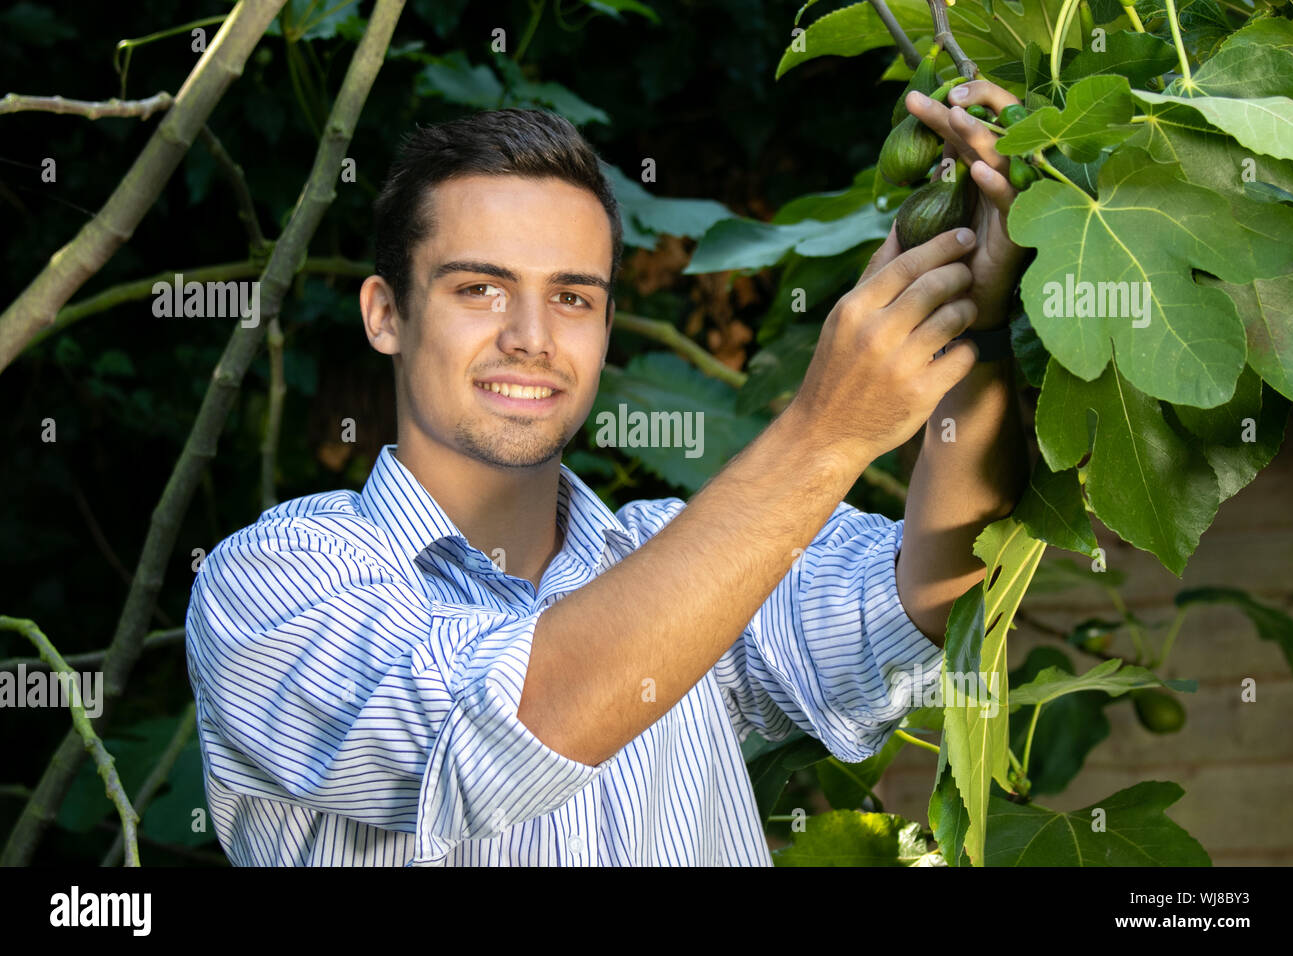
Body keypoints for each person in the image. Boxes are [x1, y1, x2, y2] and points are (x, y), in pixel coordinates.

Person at [185, 83, 1030, 866]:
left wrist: (973, 324)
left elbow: (929, 600)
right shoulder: (271, 581)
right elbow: (499, 733)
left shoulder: (674, 552)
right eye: (480, 289)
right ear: (385, 314)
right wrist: (822, 435)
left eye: (573, 297)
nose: (530, 336)